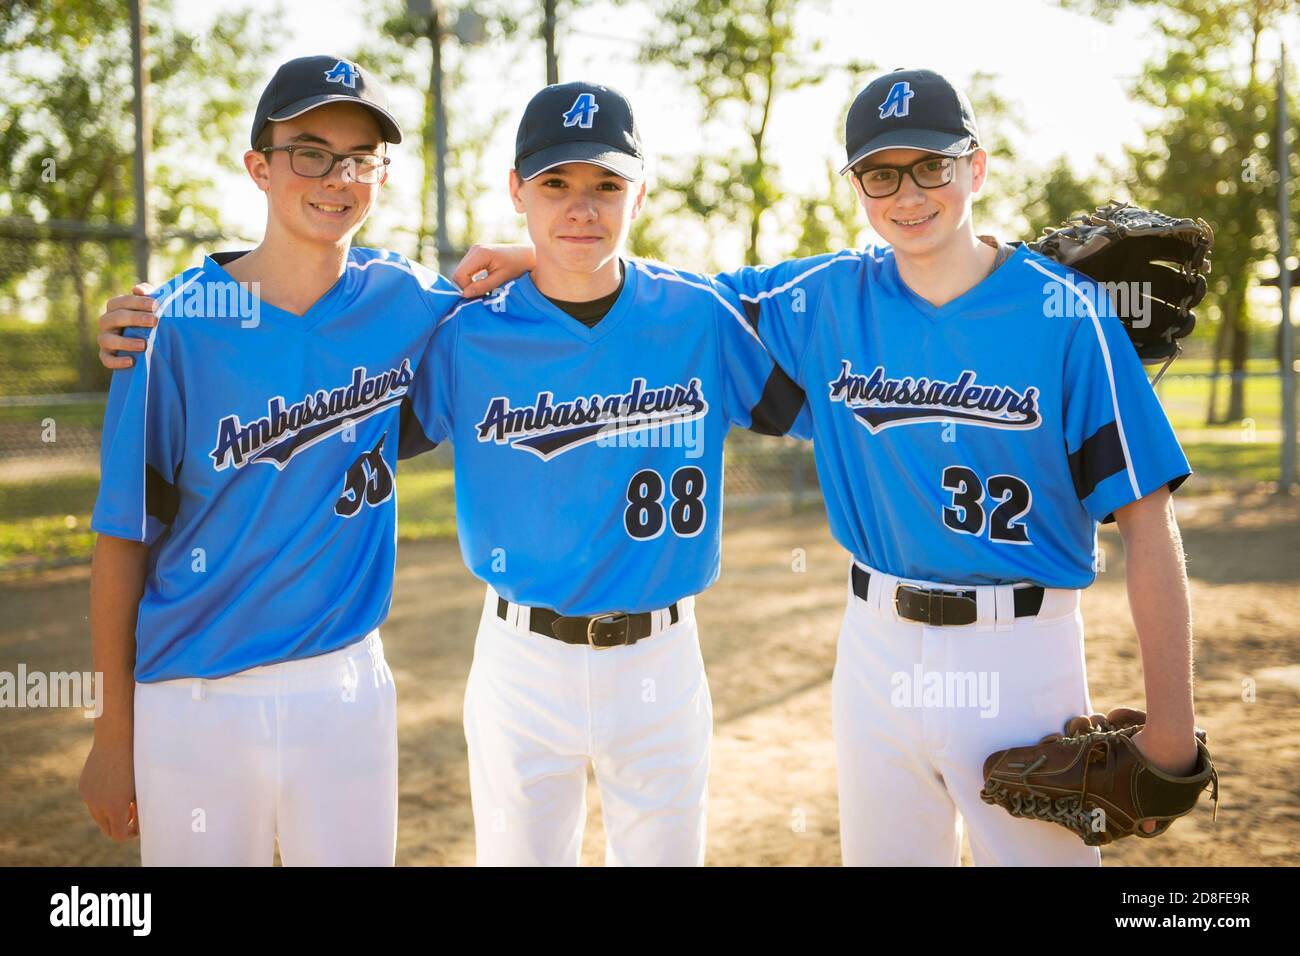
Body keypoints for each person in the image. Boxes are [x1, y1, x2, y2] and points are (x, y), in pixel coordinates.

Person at [95, 80, 809, 867]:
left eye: (607, 185)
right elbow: (149, 519)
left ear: (639, 192)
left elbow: (820, 393)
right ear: (517, 190)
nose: (582, 205)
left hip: (653, 654)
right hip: (505, 657)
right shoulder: (437, 329)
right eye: (555, 185)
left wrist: (539, 252)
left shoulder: (683, 313)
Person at [714, 68, 1200, 865]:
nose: (908, 194)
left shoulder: (1066, 312)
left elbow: (1149, 521)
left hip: (1021, 658)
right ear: (858, 188)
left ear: (975, 168)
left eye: (931, 166)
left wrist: (1171, 729)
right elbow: (668, 306)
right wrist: (555, 253)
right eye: (881, 173)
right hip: (873, 652)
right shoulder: (825, 297)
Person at [81, 55, 465, 865]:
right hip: (193, 698)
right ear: (259, 167)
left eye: (360, 157)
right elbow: (121, 537)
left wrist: (527, 252)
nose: (337, 176)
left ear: (382, 175)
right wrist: (114, 733)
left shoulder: (407, 301)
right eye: (310, 152)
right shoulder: (173, 325)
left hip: (346, 686)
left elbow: (530, 304)